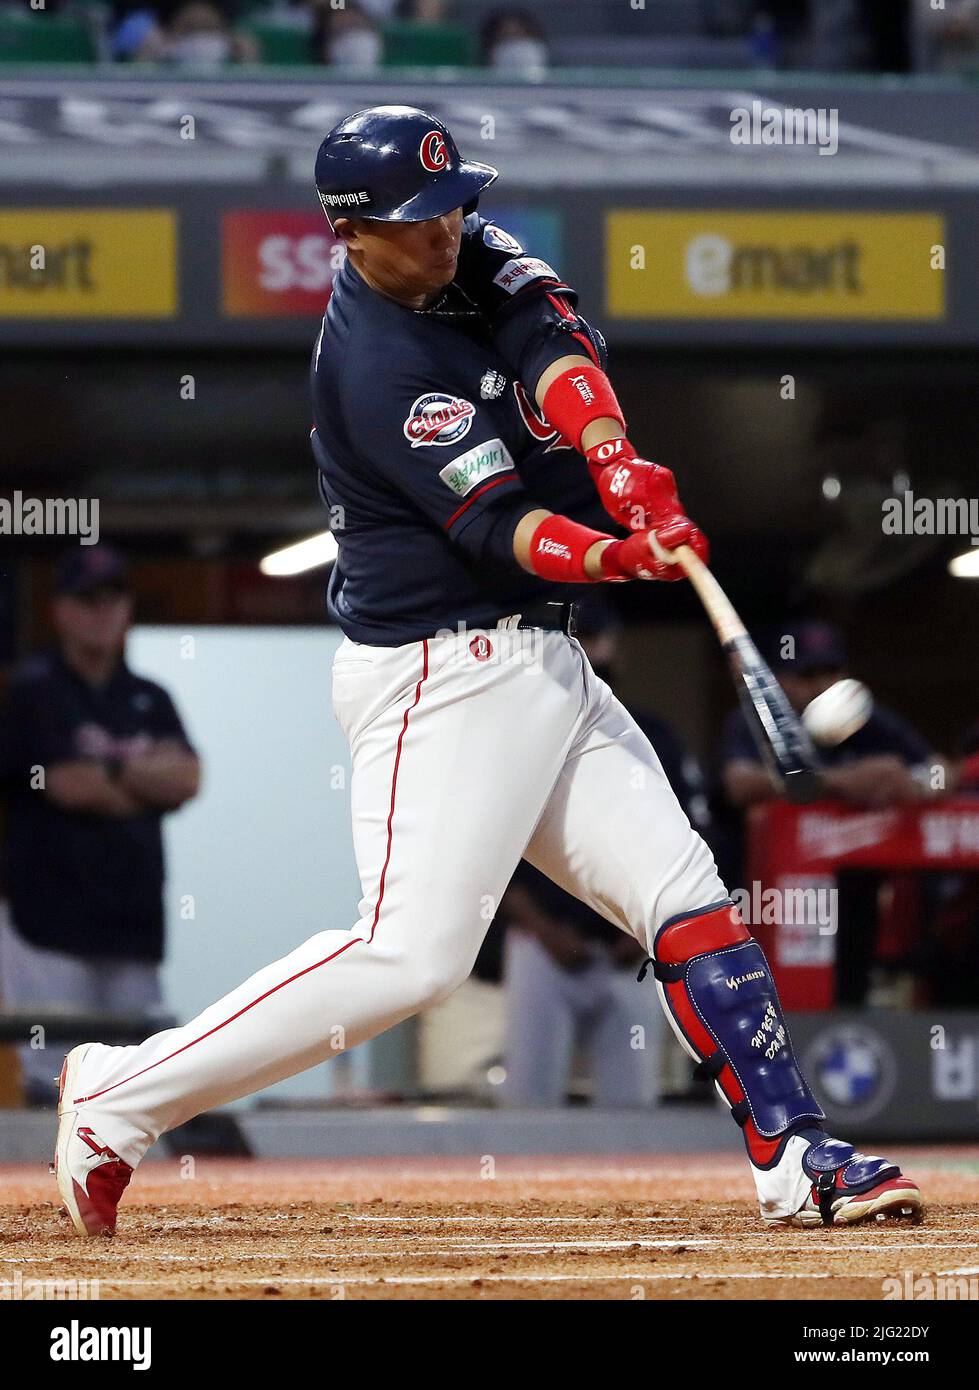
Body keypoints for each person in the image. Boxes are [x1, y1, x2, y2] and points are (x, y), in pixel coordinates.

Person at [53, 106, 921, 1237]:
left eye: (453, 202)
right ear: (350, 234)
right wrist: (618, 551)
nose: (446, 230)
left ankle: (796, 1156)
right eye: (417, 221)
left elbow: (551, 345)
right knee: (410, 957)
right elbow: (498, 527)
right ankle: (117, 1096)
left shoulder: (473, 245)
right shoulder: (371, 366)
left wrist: (616, 463)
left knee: (685, 898)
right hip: (439, 671)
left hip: (535, 660)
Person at [0, 547, 200, 1104]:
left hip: (131, 923)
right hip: (47, 924)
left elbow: (187, 779)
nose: (101, 611)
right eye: (87, 599)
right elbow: (62, 785)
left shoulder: (150, 698)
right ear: (61, 610)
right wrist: (136, 778)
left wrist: (108, 773)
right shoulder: (35, 689)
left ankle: (127, 1193)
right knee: (53, 1083)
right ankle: (46, 1192)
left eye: (113, 598)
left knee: (136, 1084)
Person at [501, 597, 707, 1108]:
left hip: (629, 943)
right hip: (541, 941)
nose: (592, 652)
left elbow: (692, 839)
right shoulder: (515, 737)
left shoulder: (651, 736)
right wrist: (543, 930)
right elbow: (489, 846)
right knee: (528, 1101)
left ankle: (626, 1191)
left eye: (599, 640)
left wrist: (645, 929)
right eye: (580, 641)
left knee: (632, 1101)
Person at [719, 619, 945, 1003]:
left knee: (847, 1000)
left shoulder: (865, 720)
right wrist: (838, 780)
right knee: (773, 1007)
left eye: (831, 672)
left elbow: (940, 771)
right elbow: (738, 784)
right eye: (807, 674)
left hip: (853, 895)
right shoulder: (758, 720)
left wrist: (915, 784)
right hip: (767, 899)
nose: (821, 685)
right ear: (778, 679)